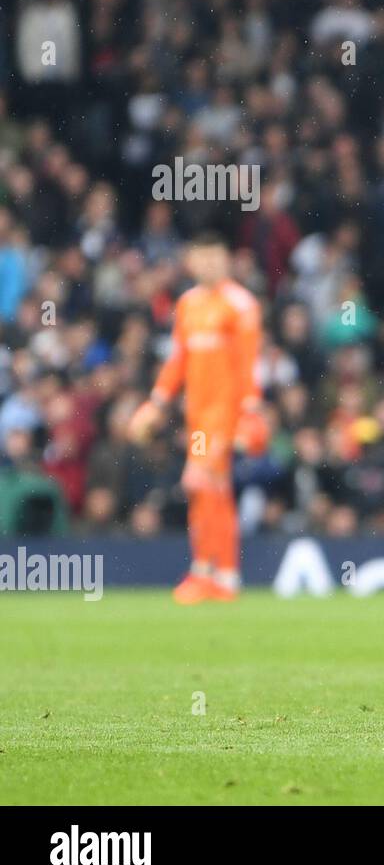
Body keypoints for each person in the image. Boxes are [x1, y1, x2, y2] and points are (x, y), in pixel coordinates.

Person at [128, 233, 268, 603]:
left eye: (215, 258)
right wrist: (157, 403)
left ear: (226, 261)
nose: (209, 265)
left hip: (225, 412)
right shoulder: (188, 304)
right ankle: (221, 575)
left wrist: (250, 411)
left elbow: (247, 363)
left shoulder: (240, 304)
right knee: (211, 489)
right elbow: (178, 360)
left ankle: (208, 572)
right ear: (191, 262)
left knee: (200, 481)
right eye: (202, 259)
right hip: (197, 416)